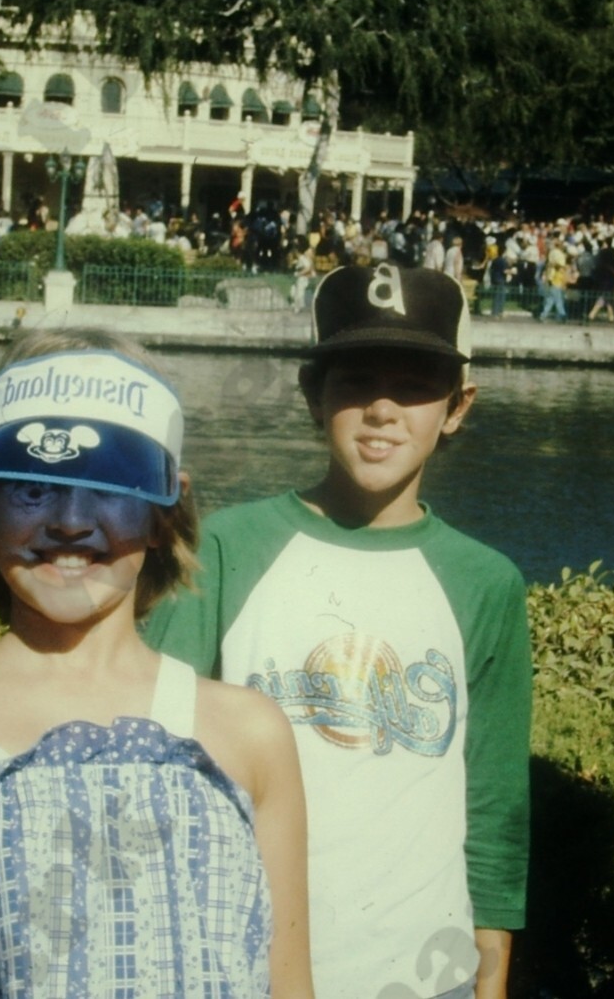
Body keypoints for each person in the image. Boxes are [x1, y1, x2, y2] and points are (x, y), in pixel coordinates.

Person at [0, 329, 312, 998]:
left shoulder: (251, 735)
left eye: (110, 483)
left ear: (166, 510)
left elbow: (288, 985)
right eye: (31, 485)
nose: (72, 521)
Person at [146, 263, 531, 999]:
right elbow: (163, 754)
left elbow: (494, 804)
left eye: (416, 382)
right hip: (244, 965)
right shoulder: (229, 546)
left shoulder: (488, 582)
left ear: (458, 406)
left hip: (425, 971)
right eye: (355, 380)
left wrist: (490, 971)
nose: (383, 408)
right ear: (311, 396)